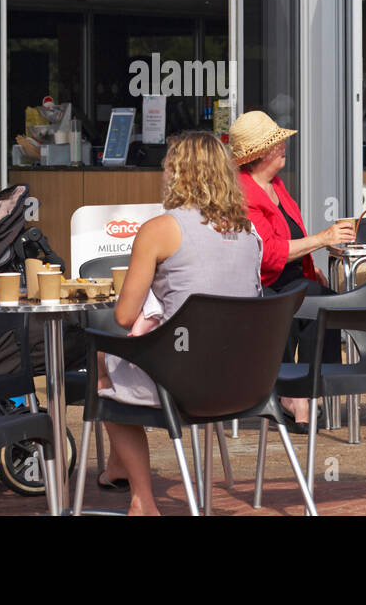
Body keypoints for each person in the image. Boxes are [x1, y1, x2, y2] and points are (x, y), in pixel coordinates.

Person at [97, 131, 262, 515]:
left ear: (177, 172)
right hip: (243, 380)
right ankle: (119, 465)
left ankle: (142, 498)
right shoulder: (248, 232)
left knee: (103, 359)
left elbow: (123, 316)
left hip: (182, 379)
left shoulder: (160, 230)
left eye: (168, 164)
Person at [230, 110, 354, 429]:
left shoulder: (276, 184)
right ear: (257, 155)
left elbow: (293, 237)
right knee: (297, 306)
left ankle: (310, 390)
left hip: (288, 279)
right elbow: (269, 255)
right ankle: (293, 393)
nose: (283, 146)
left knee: (324, 301)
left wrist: (314, 266)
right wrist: (323, 238)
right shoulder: (243, 193)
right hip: (259, 284)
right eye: (275, 144)